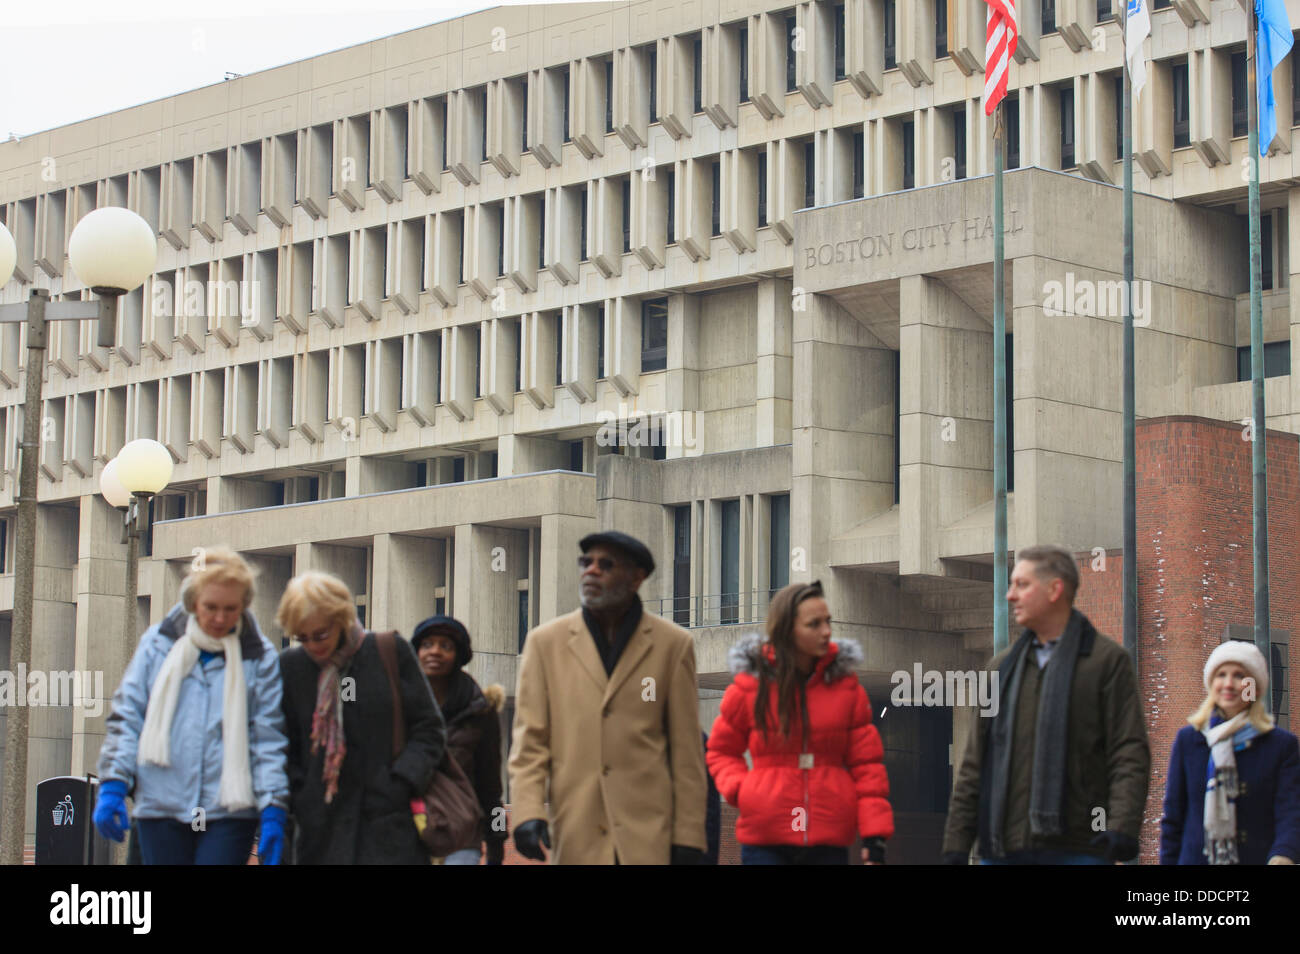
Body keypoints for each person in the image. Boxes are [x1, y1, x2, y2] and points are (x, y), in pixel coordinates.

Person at [942, 544, 1150, 865]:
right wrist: (956, 846)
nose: (1010, 595)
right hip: (1002, 852)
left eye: (1022, 585)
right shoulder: (1000, 669)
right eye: (1011, 585)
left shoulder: (1107, 662)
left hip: (1080, 850)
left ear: (1055, 589)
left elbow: (1129, 753)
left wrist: (1121, 830)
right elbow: (975, 765)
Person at [509, 530, 708, 864]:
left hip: (648, 837)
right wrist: (527, 812)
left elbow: (686, 752)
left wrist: (688, 834)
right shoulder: (545, 643)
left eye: (606, 564)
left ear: (636, 577)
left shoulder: (673, 645)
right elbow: (530, 743)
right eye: (586, 562)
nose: (591, 571)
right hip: (577, 833)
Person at [93, 547, 289, 865]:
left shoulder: (260, 656)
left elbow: (268, 738)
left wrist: (274, 807)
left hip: (230, 808)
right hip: (161, 803)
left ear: (244, 606)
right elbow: (129, 715)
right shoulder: (158, 643)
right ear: (193, 602)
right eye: (211, 607)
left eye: (230, 608)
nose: (220, 618)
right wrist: (114, 784)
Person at [707, 580, 892, 865]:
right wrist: (744, 791)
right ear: (787, 629)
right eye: (814, 624)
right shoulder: (750, 686)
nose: (826, 631)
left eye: (828, 622)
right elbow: (720, 751)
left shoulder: (846, 687)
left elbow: (867, 767)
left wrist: (874, 836)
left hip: (827, 838)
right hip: (765, 838)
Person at [277, 571, 445, 864]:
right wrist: (302, 794)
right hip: (319, 832)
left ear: (340, 618)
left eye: (321, 635)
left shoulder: (389, 651)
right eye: (302, 637)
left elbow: (429, 729)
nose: (313, 646)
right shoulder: (291, 666)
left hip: (388, 827)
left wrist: (401, 782)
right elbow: (281, 743)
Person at [1160, 641, 1300, 864]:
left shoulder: (1282, 746)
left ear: (1254, 686)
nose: (1229, 684)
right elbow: (1173, 819)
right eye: (1221, 675)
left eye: (1239, 675)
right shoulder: (1189, 740)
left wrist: (1284, 853)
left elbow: (1291, 812)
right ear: (1211, 683)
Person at [411, 614, 507, 865]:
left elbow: (491, 786)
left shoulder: (481, 711)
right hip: (408, 830)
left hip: (463, 832)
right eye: (427, 644)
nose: (435, 652)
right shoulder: (398, 706)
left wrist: (497, 845)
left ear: (459, 655)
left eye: (446, 646)